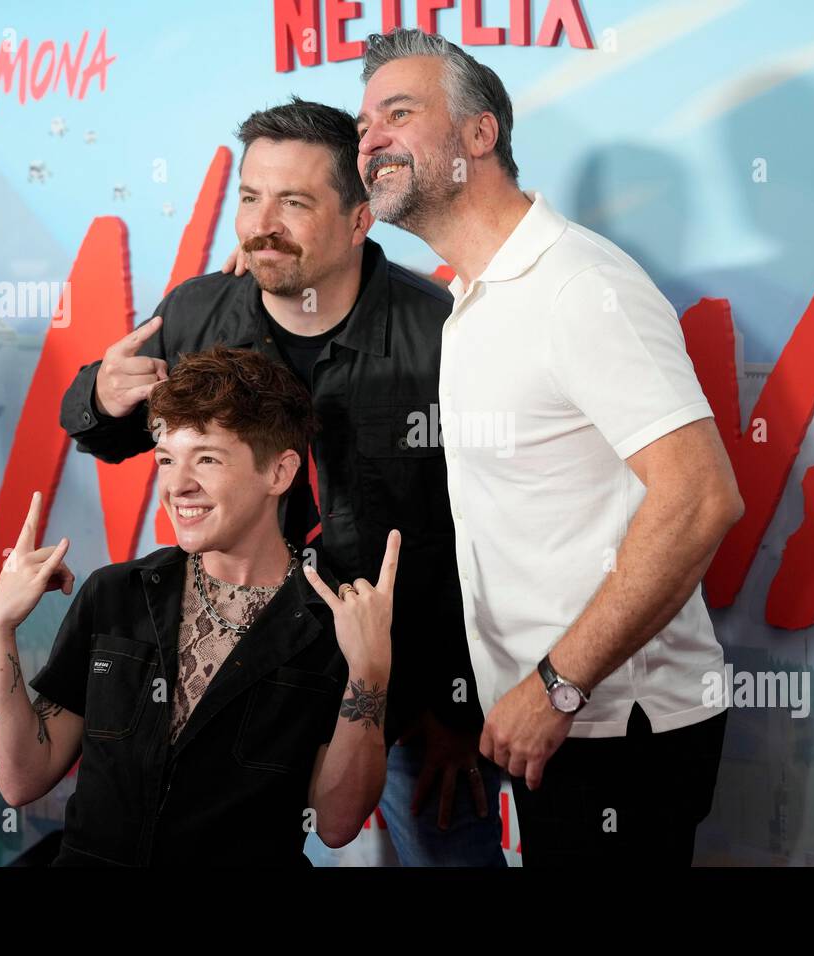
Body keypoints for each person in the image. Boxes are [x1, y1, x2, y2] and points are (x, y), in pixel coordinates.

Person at [58, 98, 505, 866]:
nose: (262, 223)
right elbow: (114, 431)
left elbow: (484, 537)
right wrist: (98, 395)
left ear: (361, 219)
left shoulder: (441, 336)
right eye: (250, 197)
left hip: (401, 692)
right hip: (236, 682)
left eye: (294, 202)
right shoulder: (199, 313)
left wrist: (458, 705)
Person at [354, 29, 746, 866]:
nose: (370, 139)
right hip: (543, 729)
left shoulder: (578, 286)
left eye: (398, 112)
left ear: (479, 134)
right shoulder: (474, 301)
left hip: (615, 731)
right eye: (362, 126)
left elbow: (701, 498)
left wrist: (558, 684)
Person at [0, 345, 398, 865]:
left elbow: (336, 823)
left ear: (280, 472)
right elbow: (22, 777)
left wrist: (370, 671)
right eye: (165, 459)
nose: (178, 485)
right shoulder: (115, 595)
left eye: (206, 458)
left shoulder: (334, 621)